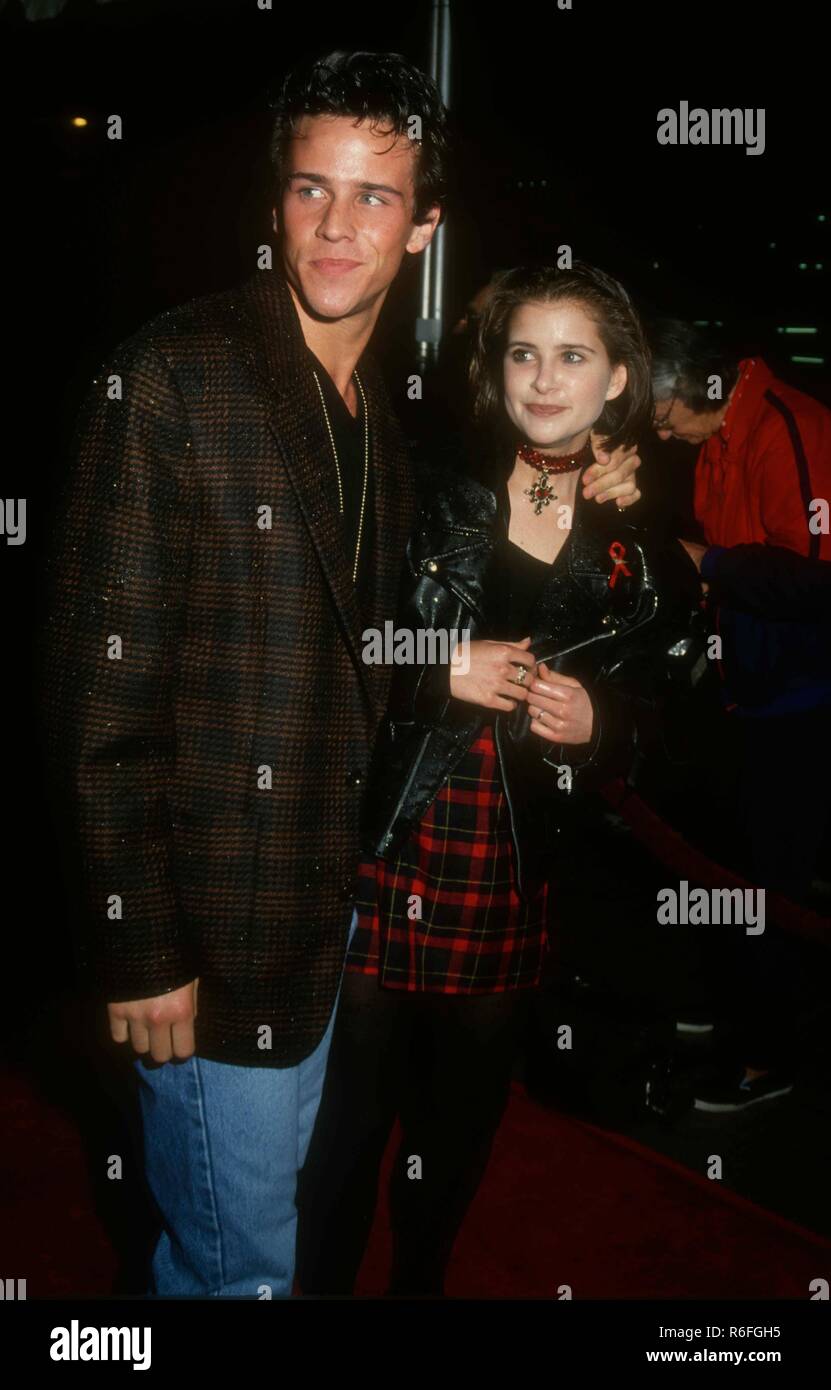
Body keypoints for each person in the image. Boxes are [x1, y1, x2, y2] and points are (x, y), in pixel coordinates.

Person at [41, 52, 641, 1298]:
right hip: (213, 935)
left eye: (374, 196)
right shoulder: (174, 377)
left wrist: (595, 486)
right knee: (242, 1268)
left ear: (422, 227)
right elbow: (99, 701)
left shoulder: (378, 417)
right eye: (312, 187)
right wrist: (139, 945)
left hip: (332, 923)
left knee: (265, 1241)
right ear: (276, 200)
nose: (334, 224)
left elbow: (369, 651)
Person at [296, 262, 698, 1296]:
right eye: (525, 353)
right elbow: (328, 636)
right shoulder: (425, 478)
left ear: (618, 379)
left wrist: (603, 726)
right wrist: (436, 668)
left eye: (573, 356)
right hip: (394, 830)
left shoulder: (637, 534)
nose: (546, 378)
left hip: (512, 854)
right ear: (495, 368)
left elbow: (671, 718)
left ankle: (420, 1285)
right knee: (345, 1121)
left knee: (458, 1121)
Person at [649, 319, 831, 1111]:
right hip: (743, 690)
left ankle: (768, 1057)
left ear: (703, 386)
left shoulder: (790, 424)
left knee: (772, 880)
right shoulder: (717, 434)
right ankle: (738, 1012)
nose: (659, 433)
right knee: (726, 865)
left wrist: (712, 564)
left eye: (663, 415)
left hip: (801, 697)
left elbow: (819, 578)